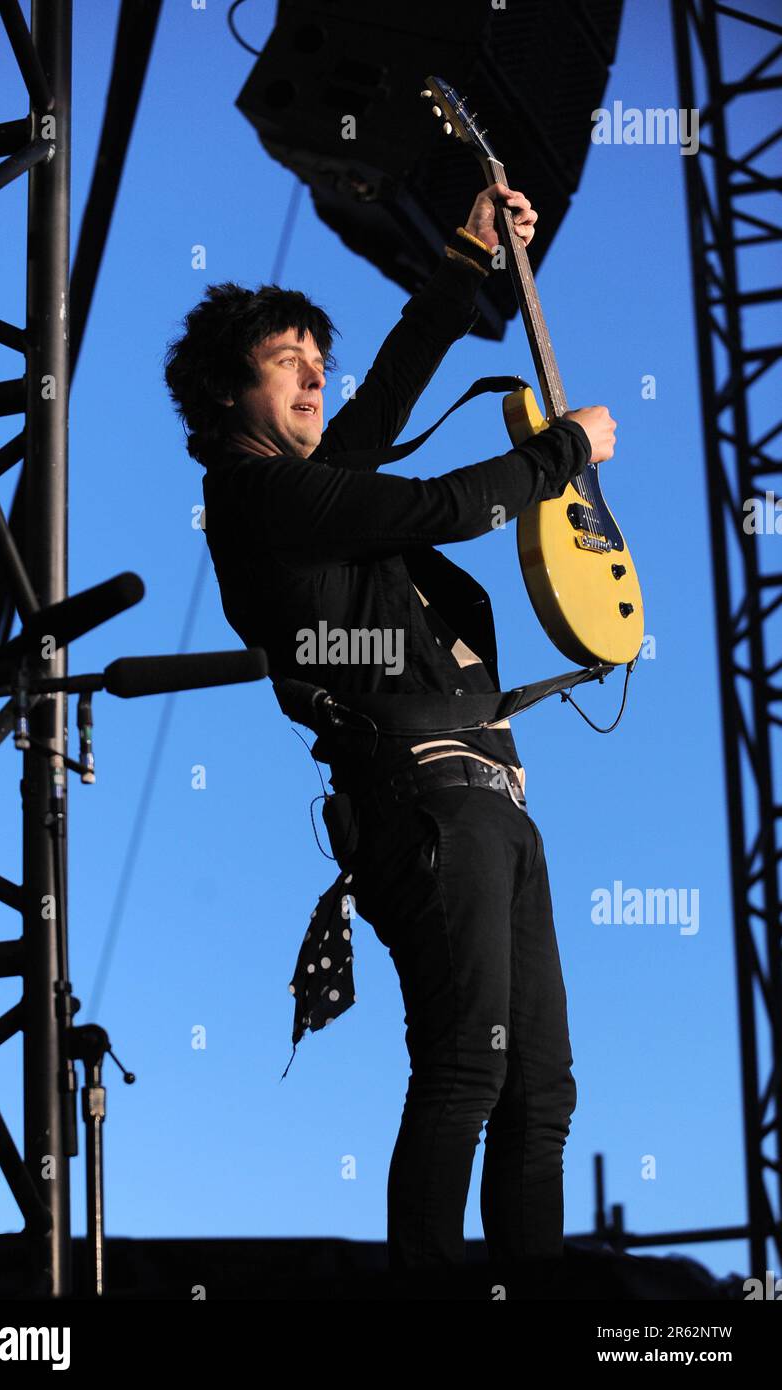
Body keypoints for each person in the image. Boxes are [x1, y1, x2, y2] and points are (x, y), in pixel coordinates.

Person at [164, 181, 617, 1300]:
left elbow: (398, 378)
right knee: (467, 1066)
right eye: (285, 359)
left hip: (496, 800)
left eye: (319, 353)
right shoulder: (255, 496)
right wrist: (558, 455)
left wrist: (466, 254)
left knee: (541, 1093)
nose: (316, 372)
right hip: (421, 805)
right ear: (231, 391)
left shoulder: (316, 478)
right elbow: (433, 510)